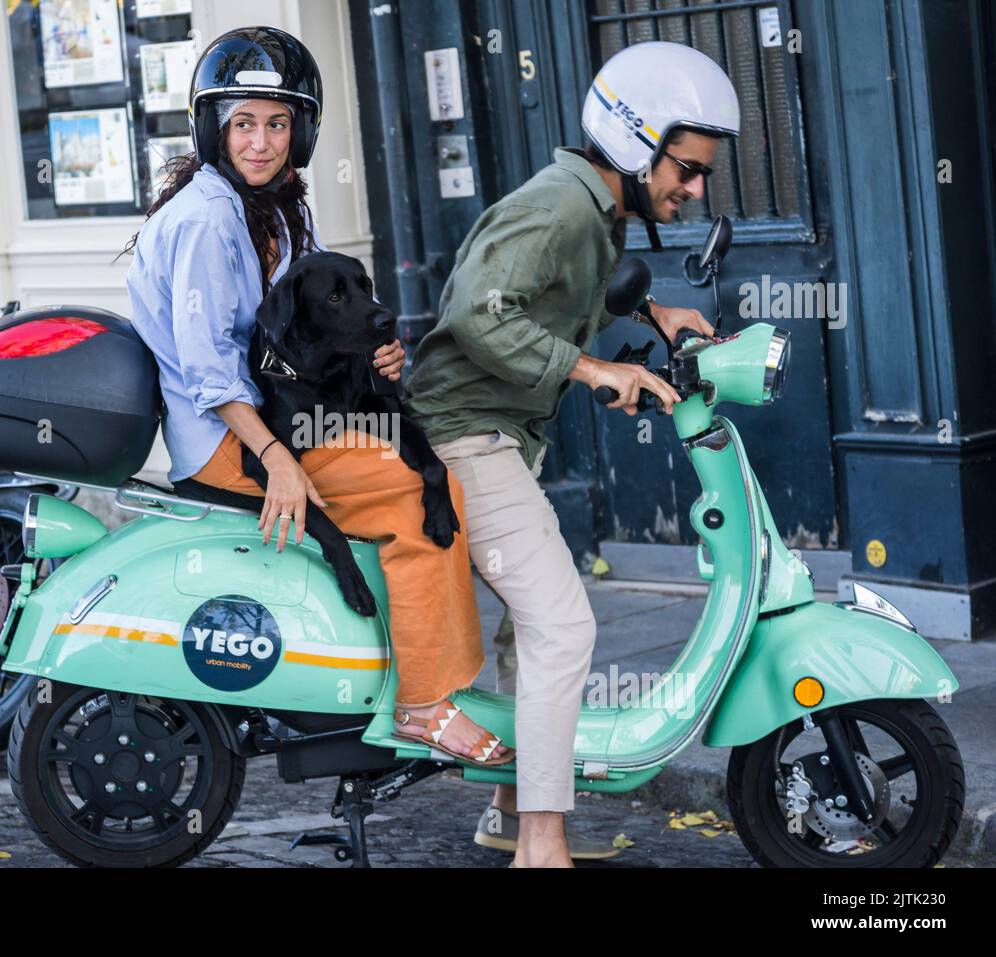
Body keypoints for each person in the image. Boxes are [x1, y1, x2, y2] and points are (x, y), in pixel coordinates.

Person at [123, 27, 511, 766]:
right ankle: (424, 704)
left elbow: (316, 318)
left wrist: (374, 348)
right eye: (243, 124)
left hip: (288, 415)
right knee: (413, 493)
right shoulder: (209, 221)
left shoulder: (279, 207)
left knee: (437, 468)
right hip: (231, 441)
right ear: (215, 129)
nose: (261, 142)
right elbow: (211, 373)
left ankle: (395, 667)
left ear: (299, 132)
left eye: (276, 124)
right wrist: (278, 460)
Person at [403, 40, 741, 867]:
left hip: (501, 435)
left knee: (532, 624)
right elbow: (477, 312)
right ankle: (541, 848)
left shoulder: (593, 213)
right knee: (562, 623)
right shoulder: (559, 204)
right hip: (464, 433)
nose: (694, 189)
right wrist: (592, 367)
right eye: (687, 169)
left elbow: (571, 288)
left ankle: (513, 810)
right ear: (633, 142)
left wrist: (653, 314)